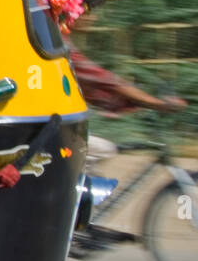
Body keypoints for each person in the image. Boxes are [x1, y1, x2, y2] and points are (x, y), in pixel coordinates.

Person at [66, 9, 187, 165]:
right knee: (103, 149)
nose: (93, 17)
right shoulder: (58, 44)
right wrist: (157, 103)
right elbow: (101, 79)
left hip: (58, 124)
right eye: (87, 11)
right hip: (53, 127)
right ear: (70, 11)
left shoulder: (57, 40)